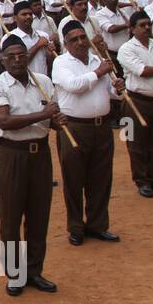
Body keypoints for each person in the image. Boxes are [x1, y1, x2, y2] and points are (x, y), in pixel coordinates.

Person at [0, 36, 61, 296]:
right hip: (11, 155)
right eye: (11, 56)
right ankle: (15, 274)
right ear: (2, 60)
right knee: (11, 216)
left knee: (39, 215)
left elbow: (53, 119)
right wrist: (45, 114)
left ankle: (34, 270)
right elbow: (4, 121)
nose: (17, 60)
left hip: (40, 153)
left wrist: (58, 120)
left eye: (21, 55)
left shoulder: (44, 82)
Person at [51, 21, 122, 246]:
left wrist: (117, 87)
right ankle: (76, 227)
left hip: (101, 127)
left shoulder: (97, 59)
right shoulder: (61, 62)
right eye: (75, 39)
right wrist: (98, 72)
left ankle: (98, 224)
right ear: (65, 42)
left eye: (83, 37)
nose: (81, 42)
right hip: (74, 127)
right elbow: (74, 85)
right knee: (74, 179)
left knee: (101, 177)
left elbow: (110, 91)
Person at [116, 11, 153, 198]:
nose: (147, 28)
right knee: (135, 143)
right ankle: (141, 180)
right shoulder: (126, 49)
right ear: (132, 29)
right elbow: (143, 71)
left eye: (148, 24)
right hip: (135, 103)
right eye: (142, 25)